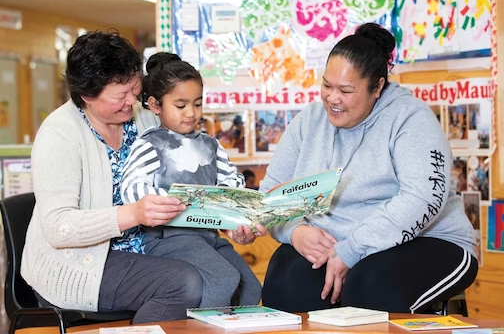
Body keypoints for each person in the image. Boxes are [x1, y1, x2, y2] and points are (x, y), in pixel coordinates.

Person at [19, 30, 261, 325]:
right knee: (185, 282)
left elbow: (194, 178)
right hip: (84, 262)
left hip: (153, 245)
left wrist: (229, 222)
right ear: (87, 96)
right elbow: (59, 228)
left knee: (236, 282)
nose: (133, 100)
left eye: (135, 89)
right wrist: (133, 213)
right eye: (122, 95)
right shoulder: (59, 135)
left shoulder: (144, 118)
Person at [260, 23, 478, 314]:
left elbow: (423, 198)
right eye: (327, 85)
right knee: (285, 279)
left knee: (367, 287)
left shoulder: (411, 118)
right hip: (335, 245)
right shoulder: (309, 121)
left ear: (377, 87)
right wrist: (295, 231)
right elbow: (269, 199)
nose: (332, 98)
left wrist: (351, 251)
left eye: (345, 90)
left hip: (428, 240)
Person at [120, 52, 263, 308]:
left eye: (197, 104)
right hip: (170, 239)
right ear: (155, 105)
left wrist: (239, 212)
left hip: (208, 236)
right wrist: (170, 203)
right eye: (180, 105)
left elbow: (230, 182)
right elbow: (132, 188)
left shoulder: (210, 145)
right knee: (223, 278)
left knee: (249, 286)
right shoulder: (150, 144)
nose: (191, 113)